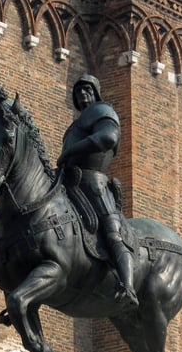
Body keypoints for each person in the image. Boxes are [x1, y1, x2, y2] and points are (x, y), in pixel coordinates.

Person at [57, 75, 138, 305]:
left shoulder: (103, 111)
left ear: (96, 92)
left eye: (87, 90)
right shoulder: (75, 126)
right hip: (70, 182)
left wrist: (73, 151)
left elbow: (108, 137)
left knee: (112, 234)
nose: (83, 94)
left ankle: (128, 286)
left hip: (95, 183)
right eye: (79, 91)